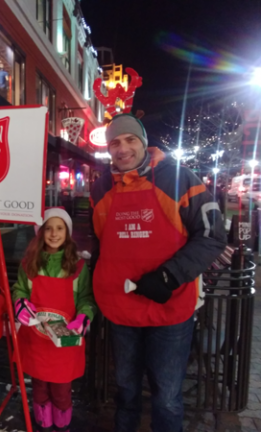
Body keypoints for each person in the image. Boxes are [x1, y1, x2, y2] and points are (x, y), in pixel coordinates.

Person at [89, 114, 226, 432]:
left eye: (130, 140)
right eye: (115, 143)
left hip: (170, 310)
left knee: (166, 397)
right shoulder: (100, 188)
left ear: (143, 142)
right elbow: (100, 242)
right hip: (120, 309)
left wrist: (169, 276)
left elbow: (212, 236)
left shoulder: (180, 179)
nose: (122, 149)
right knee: (126, 391)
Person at [12, 208, 96, 432]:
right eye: (48, 228)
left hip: (64, 345)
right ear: (40, 232)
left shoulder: (78, 266)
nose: (54, 233)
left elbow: (86, 299)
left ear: (67, 232)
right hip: (36, 341)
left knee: (61, 390)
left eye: (59, 228)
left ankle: (62, 425)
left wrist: (83, 317)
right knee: (39, 387)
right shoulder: (29, 264)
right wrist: (20, 303)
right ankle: (43, 424)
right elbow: (20, 289)